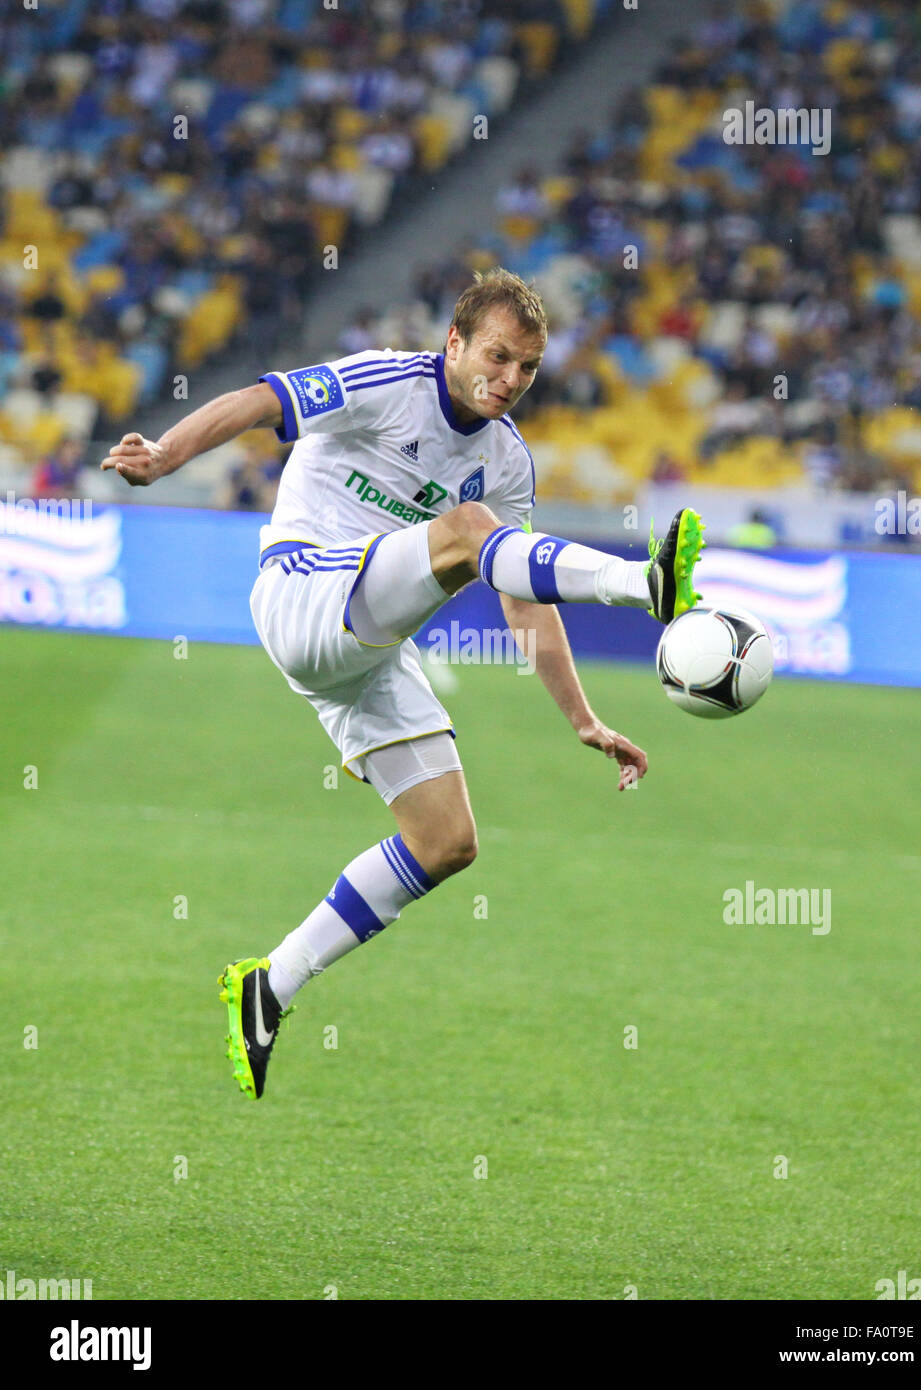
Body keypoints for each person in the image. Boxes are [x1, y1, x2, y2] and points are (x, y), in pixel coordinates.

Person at [100, 268, 705, 1100]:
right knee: (464, 533)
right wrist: (167, 453)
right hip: (304, 592)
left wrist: (583, 719)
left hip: (369, 646)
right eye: (497, 356)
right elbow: (258, 400)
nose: (510, 380)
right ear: (453, 342)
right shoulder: (386, 380)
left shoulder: (505, 462)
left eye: (527, 368)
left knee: (446, 839)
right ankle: (646, 587)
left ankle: (269, 983)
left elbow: (522, 599)